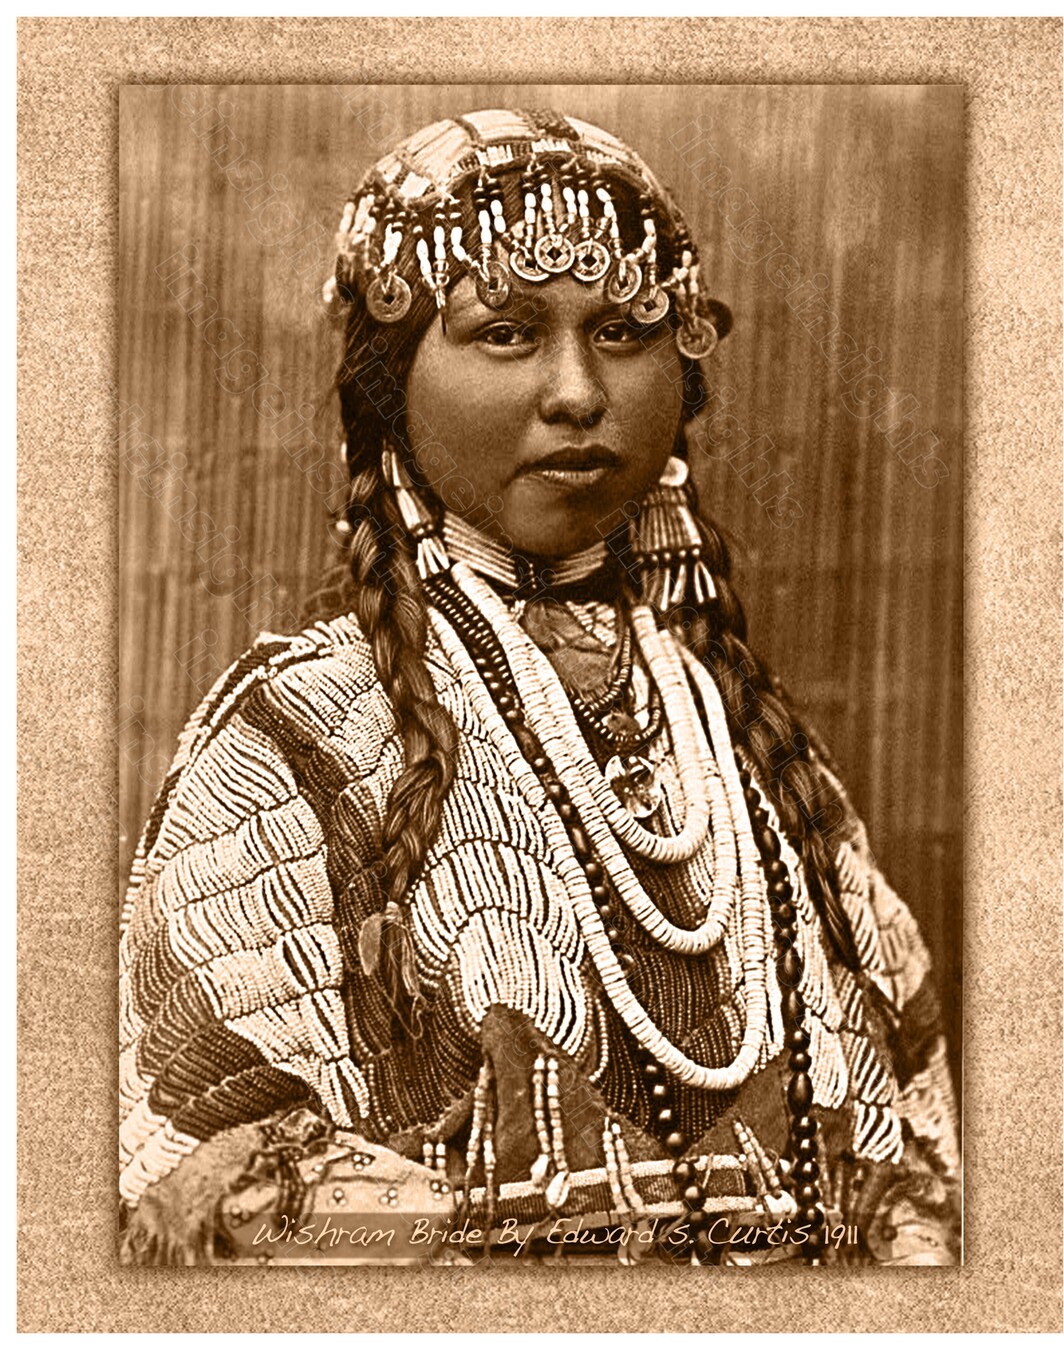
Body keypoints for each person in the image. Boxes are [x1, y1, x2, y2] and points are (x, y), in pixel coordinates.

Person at [119, 107, 960, 1266]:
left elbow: (913, 1167)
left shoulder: (754, 751)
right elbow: (194, 1185)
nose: (576, 389)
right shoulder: (298, 737)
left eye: (622, 329)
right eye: (506, 331)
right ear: (389, 388)